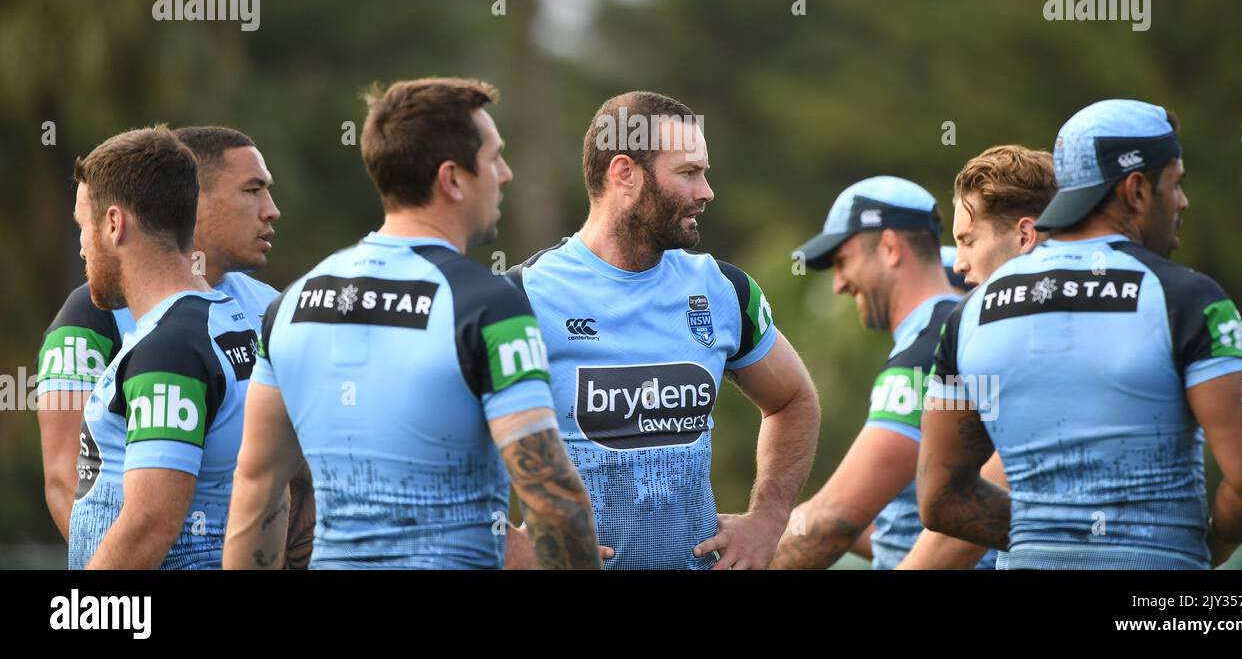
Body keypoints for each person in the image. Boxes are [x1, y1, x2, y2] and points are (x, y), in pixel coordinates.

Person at [223, 77, 600, 569]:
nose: (505, 174)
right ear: (453, 179)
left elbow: (257, 485)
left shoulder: (290, 304)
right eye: (493, 159)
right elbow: (553, 496)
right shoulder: (488, 306)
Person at [919, 100, 1242, 569]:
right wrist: (1193, 550)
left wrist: (1050, 535)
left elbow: (941, 499)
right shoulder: (1189, 300)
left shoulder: (966, 317)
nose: (1182, 201)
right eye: (1175, 184)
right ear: (1136, 190)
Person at [507, 91, 820, 570]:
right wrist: (507, 546)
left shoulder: (722, 289)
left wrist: (768, 519)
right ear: (624, 174)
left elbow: (794, 401)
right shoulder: (520, 296)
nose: (706, 191)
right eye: (689, 172)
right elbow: (437, 437)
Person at [37, 126, 281, 541]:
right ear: (194, 198)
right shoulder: (89, 316)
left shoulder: (273, 309)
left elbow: (294, 471)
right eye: (252, 190)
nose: (271, 209)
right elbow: (68, 482)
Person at [770, 176, 961, 570]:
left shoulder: (929, 349)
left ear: (890, 248)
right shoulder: (952, 326)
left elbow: (835, 522)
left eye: (843, 262)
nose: (838, 284)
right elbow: (906, 526)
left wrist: (740, 559)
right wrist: (769, 525)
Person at [896, 144, 1055, 569]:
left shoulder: (1021, 339)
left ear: (1025, 235)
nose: (960, 264)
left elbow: (955, 507)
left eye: (968, 241)